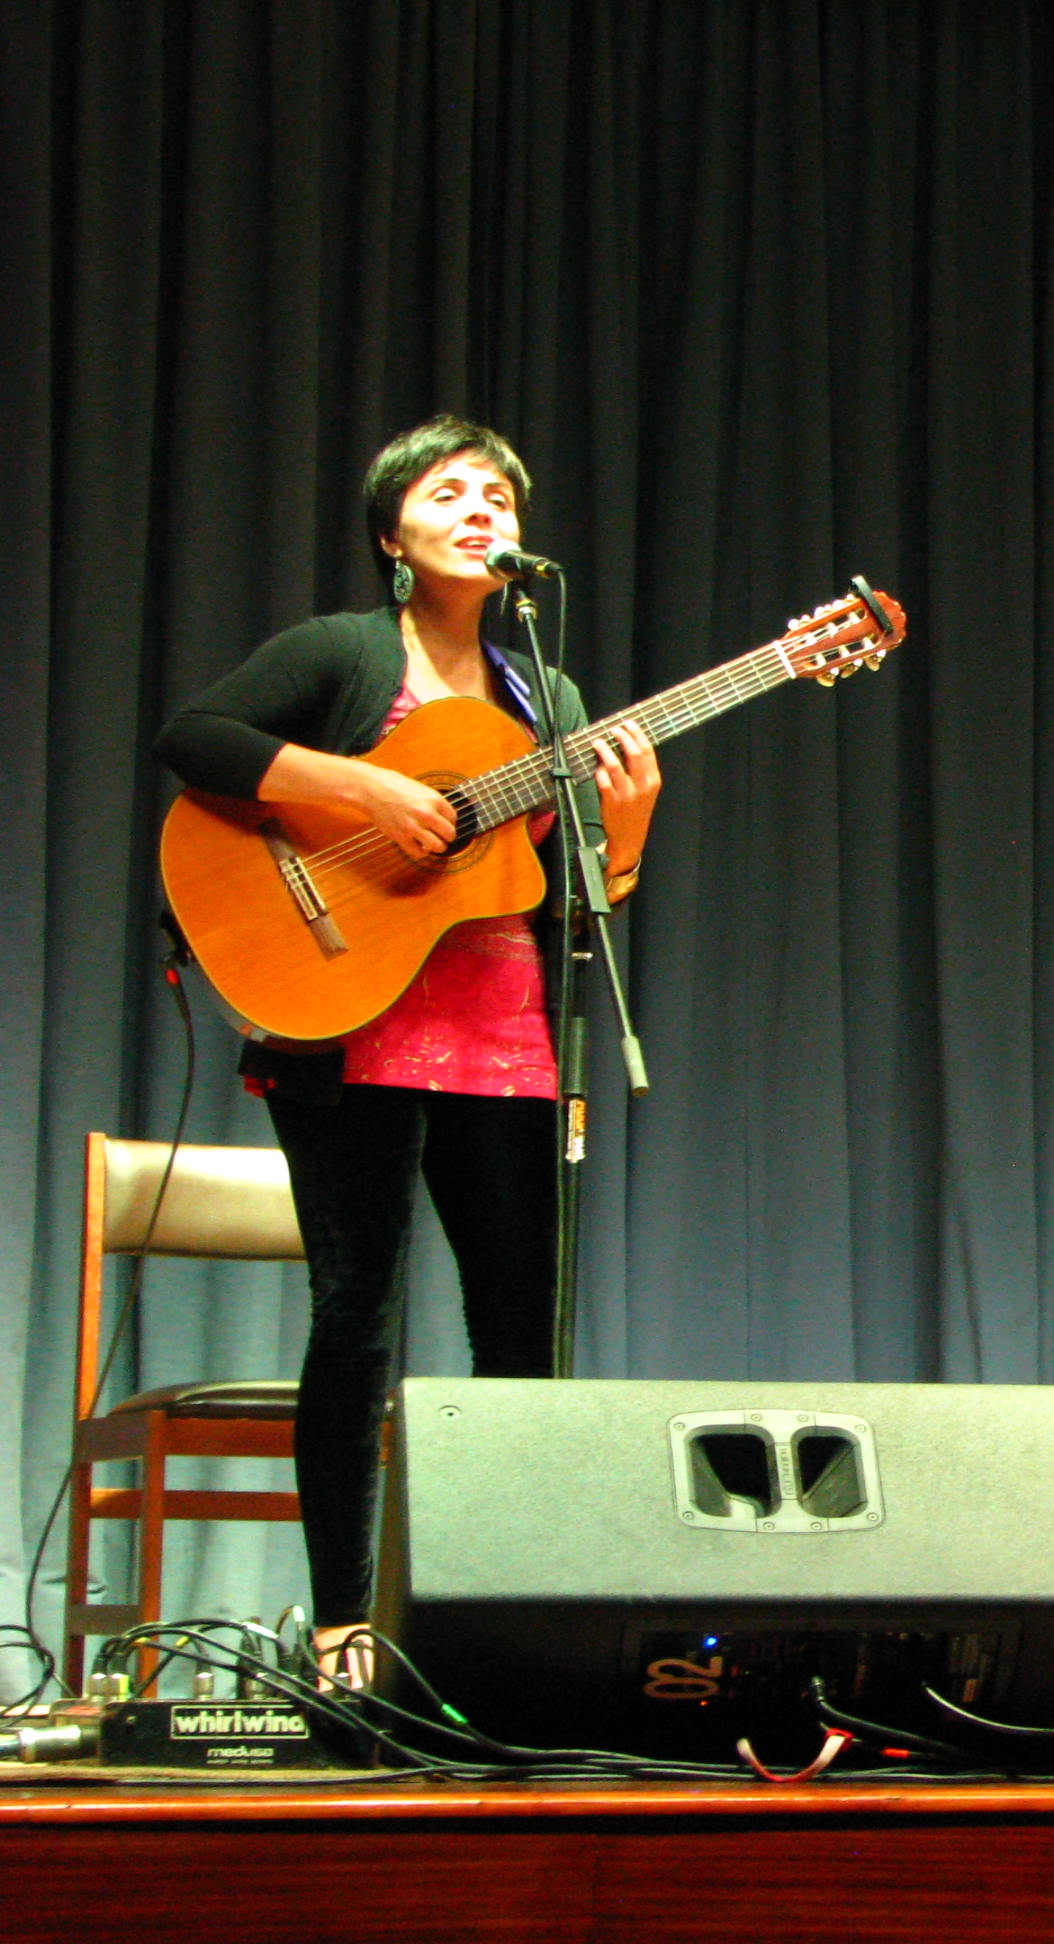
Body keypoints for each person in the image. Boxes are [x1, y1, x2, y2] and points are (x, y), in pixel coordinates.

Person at [153, 416, 661, 1670]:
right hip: (346, 1017)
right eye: (451, 492)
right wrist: (368, 788)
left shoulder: (551, 695)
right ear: (395, 534)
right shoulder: (340, 654)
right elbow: (196, 742)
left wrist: (630, 824)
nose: (486, 509)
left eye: (502, 494)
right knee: (360, 1316)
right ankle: (340, 1628)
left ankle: (504, 1620)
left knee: (520, 1330)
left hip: (503, 1032)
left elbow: (579, 895)